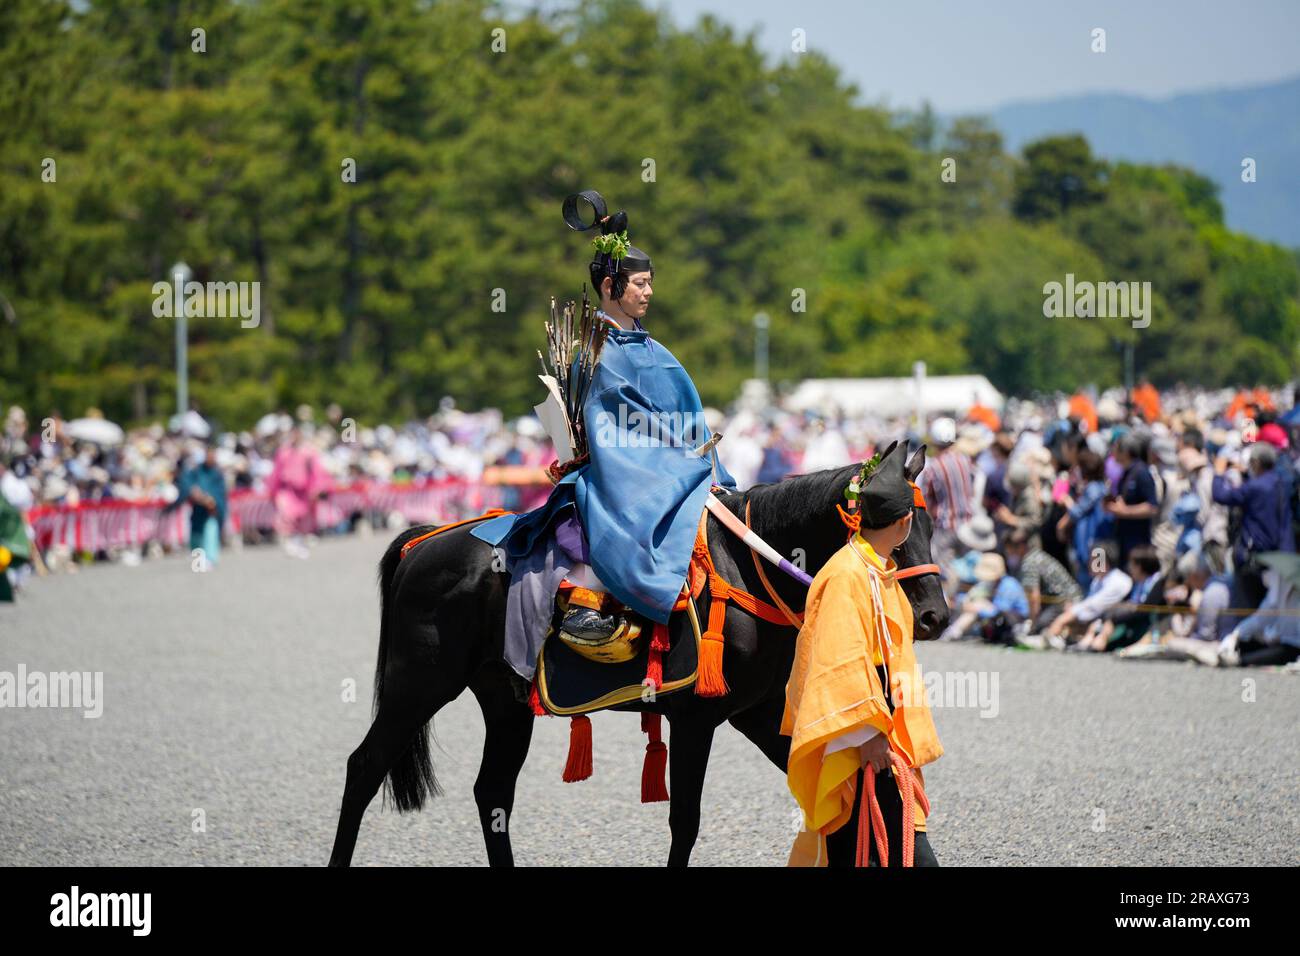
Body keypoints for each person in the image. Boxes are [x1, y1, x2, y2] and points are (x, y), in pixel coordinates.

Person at [471, 194, 736, 684]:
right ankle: (590, 605)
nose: (649, 292)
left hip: (675, 465)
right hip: (621, 472)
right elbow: (616, 426)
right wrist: (674, 459)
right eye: (640, 283)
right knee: (623, 519)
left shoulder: (656, 349)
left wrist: (706, 463)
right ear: (611, 286)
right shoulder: (595, 351)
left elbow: (686, 413)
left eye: (651, 282)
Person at [782, 443, 942, 867]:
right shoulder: (846, 575)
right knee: (872, 851)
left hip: (881, 734)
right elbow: (838, 664)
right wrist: (866, 736)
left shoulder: (874, 567)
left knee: (882, 850)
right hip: (861, 736)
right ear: (906, 523)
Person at [1212, 441, 1295, 610]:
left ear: (1256, 463)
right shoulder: (1280, 482)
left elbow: (1221, 496)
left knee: (1252, 606)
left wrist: (1219, 472)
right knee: (1274, 605)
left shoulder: (1255, 487)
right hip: (1280, 554)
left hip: (1254, 557)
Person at [1043, 538, 1133, 648]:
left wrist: (1063, 619)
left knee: (1069, 615)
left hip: (1114, 620)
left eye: (1094, 560)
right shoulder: (1097, 581)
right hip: (1097, 617)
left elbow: (1094, 606)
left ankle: (1051, 637)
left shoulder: (1119, 581)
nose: (1089, 563)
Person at [917, 416, 977, 569]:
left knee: (946, 573)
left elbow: (926, 501)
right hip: (968, 525)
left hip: (945, 527)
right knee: (968, 571)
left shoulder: (933, 467)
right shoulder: (966, 460)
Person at [265, 425, 332, 559]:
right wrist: (273, 490)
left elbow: (316, 472)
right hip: (287, 490)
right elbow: (277, 472)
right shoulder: (283, 452)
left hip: (304, 491)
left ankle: (299, 543)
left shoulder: (309, 453)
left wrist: (317, 488)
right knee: (286, 516)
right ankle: (290, 542)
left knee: (303, 519)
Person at [1004, 527, 1082, 635]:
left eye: (1010, 550)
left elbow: (1033, 597)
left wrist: (1032, 624)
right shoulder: (1036, 555)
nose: (1009, 554)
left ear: (1021, 547)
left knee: (1038, 628)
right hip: (1064, 601)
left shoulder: (1029, 563)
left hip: (1064, 603)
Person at [1105, 433, 1159, 565]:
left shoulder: (1142, 473)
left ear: (1126, 452)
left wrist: (1125, 511)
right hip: (1123, 538)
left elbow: (1152, 507)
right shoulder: (1126, 472)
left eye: (1116, 448)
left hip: (1137, 541)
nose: (1113, 452)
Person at [172, 442, 228, 567]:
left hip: (211, 510)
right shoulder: (196, 471)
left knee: (210, 533)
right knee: (196, 536)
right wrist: (194, 493)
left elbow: (220, 492)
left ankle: (210, 559)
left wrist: (212, 501)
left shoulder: (217, 474)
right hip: (197, 510)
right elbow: (187, 484)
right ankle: (198, 561)